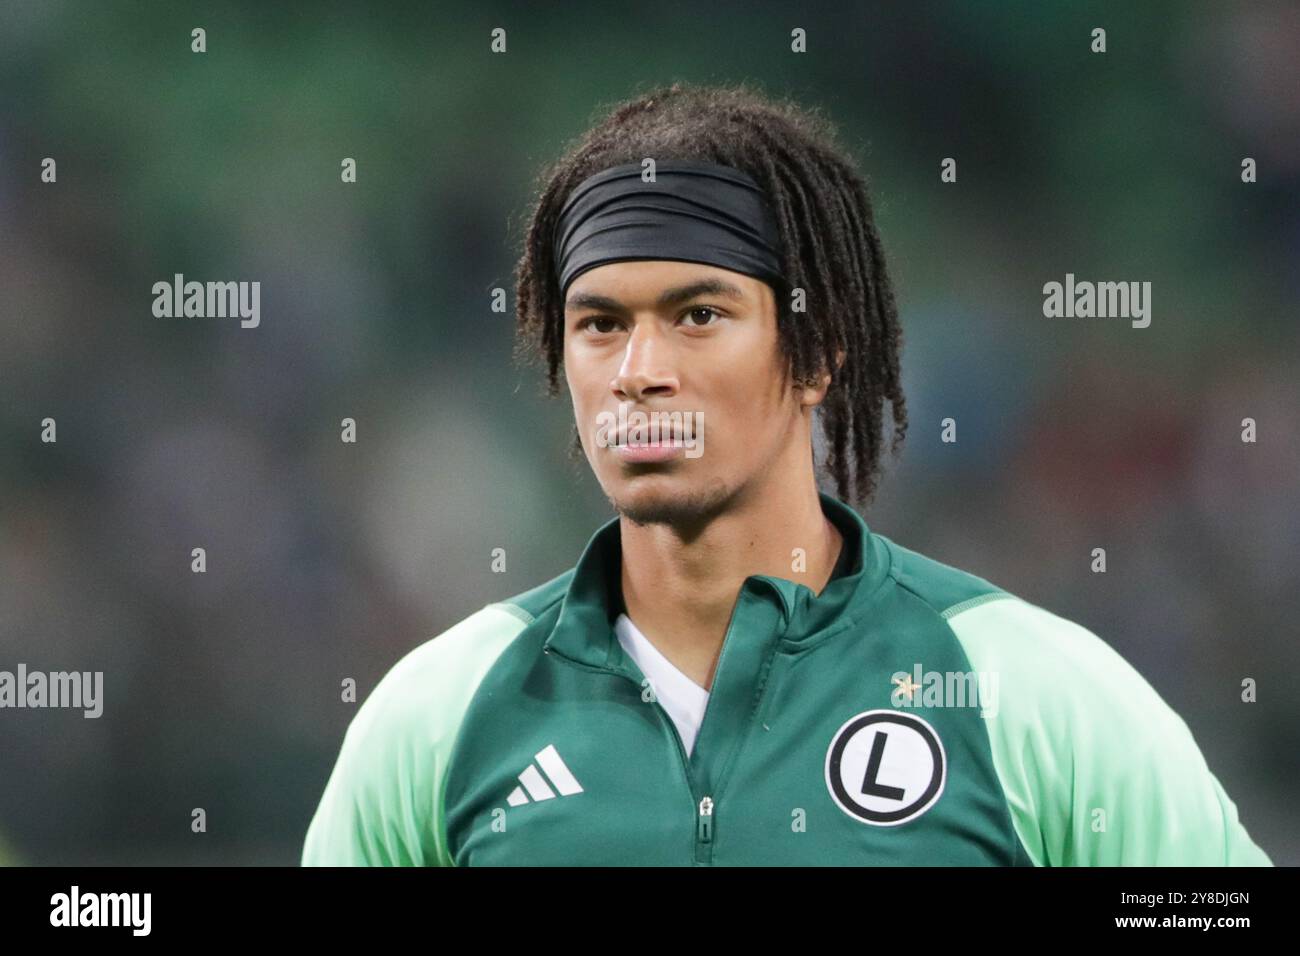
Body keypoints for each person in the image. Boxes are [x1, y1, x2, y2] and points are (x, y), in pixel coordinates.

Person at [302, 82, 1271, 866]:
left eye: (698, 313)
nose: (639, 370)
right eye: (600, 323)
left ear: (816, 353)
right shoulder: (438, 718)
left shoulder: (1030, 695)